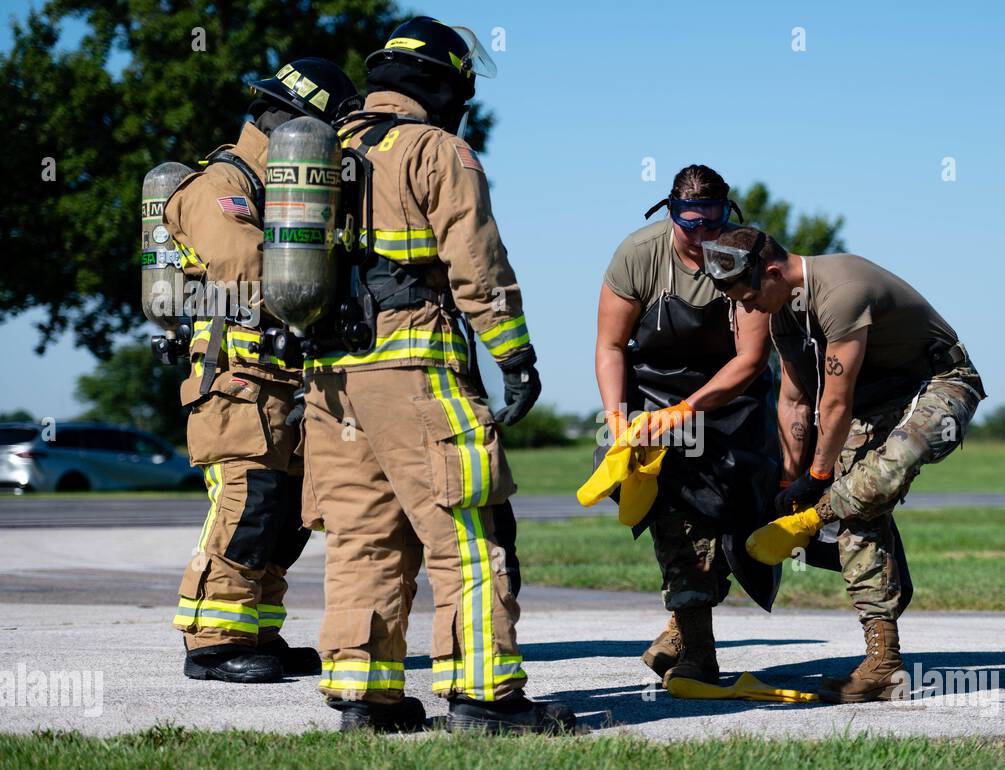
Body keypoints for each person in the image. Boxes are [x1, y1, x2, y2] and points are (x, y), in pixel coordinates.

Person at [300, 17, 574, 732]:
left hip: (331, 380)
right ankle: (486, 700)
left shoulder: (324, 151)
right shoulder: (437, 151)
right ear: (446, 86)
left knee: (364, 538)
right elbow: (477, 266)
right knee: (469, 536)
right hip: (414, 368)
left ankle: (365, 700)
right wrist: (515, 355)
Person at [700, 228, 987, 703]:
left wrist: (816, 485)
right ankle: (883, 664)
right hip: (876, 403)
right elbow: (793, 400)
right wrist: (791, 483)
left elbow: (834, 402)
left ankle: (826, 518)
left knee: (880, 475)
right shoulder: (783, 314)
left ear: (773, 272)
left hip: (937, 383)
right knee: (854, 506)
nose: (748, 308)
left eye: (749, 296)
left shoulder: (840, 291)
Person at [164, 57, 361, 683]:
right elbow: (247, 269)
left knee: (286, 515)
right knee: (248, 504)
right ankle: (211, 638)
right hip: (236, 380)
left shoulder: (277, 193)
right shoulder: (219, 186)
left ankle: (256, 628)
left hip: (284, 380)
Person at [592, 165, 778, 687]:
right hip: (651, 397)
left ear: (728, 213)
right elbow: (609, 346)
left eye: (711, 222)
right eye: (687, 223)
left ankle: (681, 626)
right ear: (669, 212)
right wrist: (618, 419)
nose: (699, 237)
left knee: (738, 521)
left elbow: (750, 358)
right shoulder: (638, 253)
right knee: (674, 512)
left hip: (733, 401)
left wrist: (688, 411)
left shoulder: (747, 254)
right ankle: (699, 653)